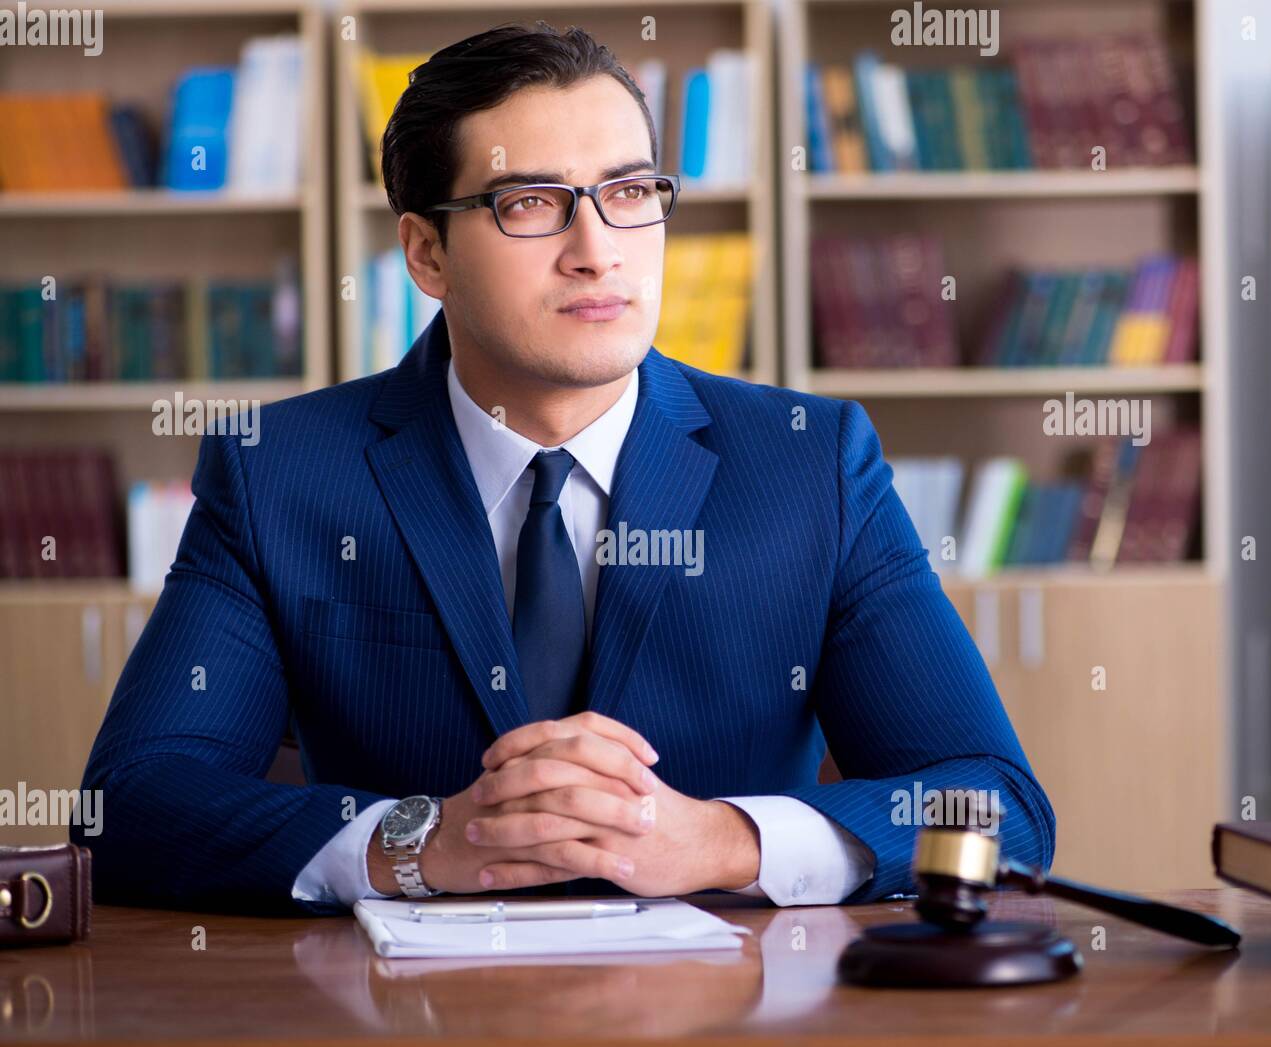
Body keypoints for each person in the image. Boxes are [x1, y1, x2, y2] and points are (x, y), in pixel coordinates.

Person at [75, 21, 1054, 915]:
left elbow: (993, 800)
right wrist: (418, 842)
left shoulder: (809, 465)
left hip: (735, 1027)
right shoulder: (281, 473)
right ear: (425, 253)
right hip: (397, 1026)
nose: (598, 251)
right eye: (531, 203)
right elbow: (133, 801)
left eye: (629, 193)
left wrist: (718, 839)